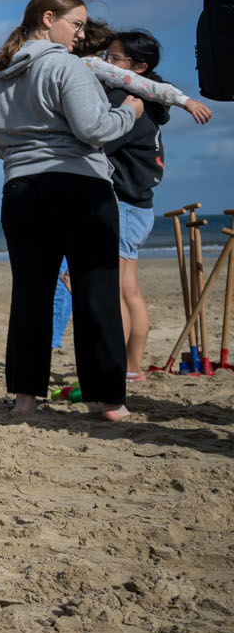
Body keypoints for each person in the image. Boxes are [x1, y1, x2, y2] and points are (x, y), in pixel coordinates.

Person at [0, 0, 141, 420]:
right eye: (77, 24)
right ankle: (110, 402)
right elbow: (95, 129)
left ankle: (25, 400)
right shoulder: (67, 67)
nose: (81, 34)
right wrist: (130, 111)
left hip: (20, 190)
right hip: (78, 185)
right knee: (96, 291)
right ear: (48, 18)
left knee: (30, 295)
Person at [101, 29, 212, 377]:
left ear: (140, 67)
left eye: (114, 59)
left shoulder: (130, 104)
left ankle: (118, 366)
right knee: (130, 291)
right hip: (141, 207)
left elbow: (100, 142)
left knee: (116, 293)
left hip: (123, 204)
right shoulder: (153, 105)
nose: (107, 64)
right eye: (107, 56)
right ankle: (132, 367)